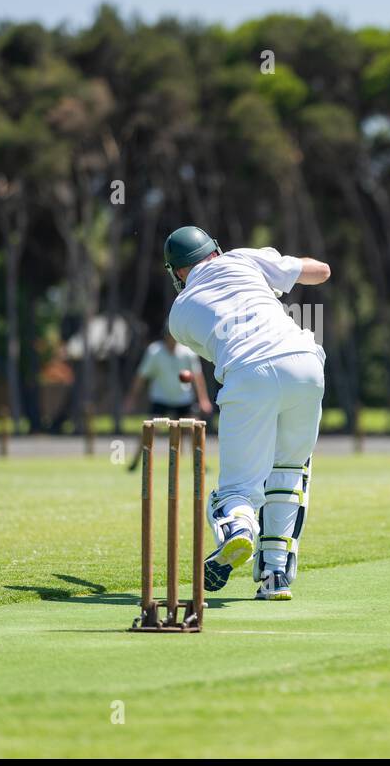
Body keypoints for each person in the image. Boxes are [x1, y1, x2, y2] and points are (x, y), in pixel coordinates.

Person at [163, 225, 330, 600]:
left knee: (238, 489)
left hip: (249, 373)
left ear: (177, 273)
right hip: (305, 364)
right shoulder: (243, 259)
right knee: (288, 473)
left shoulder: (179, 317)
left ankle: (239, 529)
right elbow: (321, 271)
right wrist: (275, 274)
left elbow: (223, 343)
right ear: (215, 251)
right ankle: (275, 576)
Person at [125, 331, 213, 470]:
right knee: (149, 429)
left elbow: (197, 377)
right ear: (165, 336)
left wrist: (204, 400)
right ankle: (135, 463)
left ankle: (201, 463)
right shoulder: (154, 351)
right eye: (169, 336)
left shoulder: (188, 351)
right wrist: (131, 398)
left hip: (183, 398)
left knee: (193, 430)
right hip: (161, 398)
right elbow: (141, 376)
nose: (172, 339)